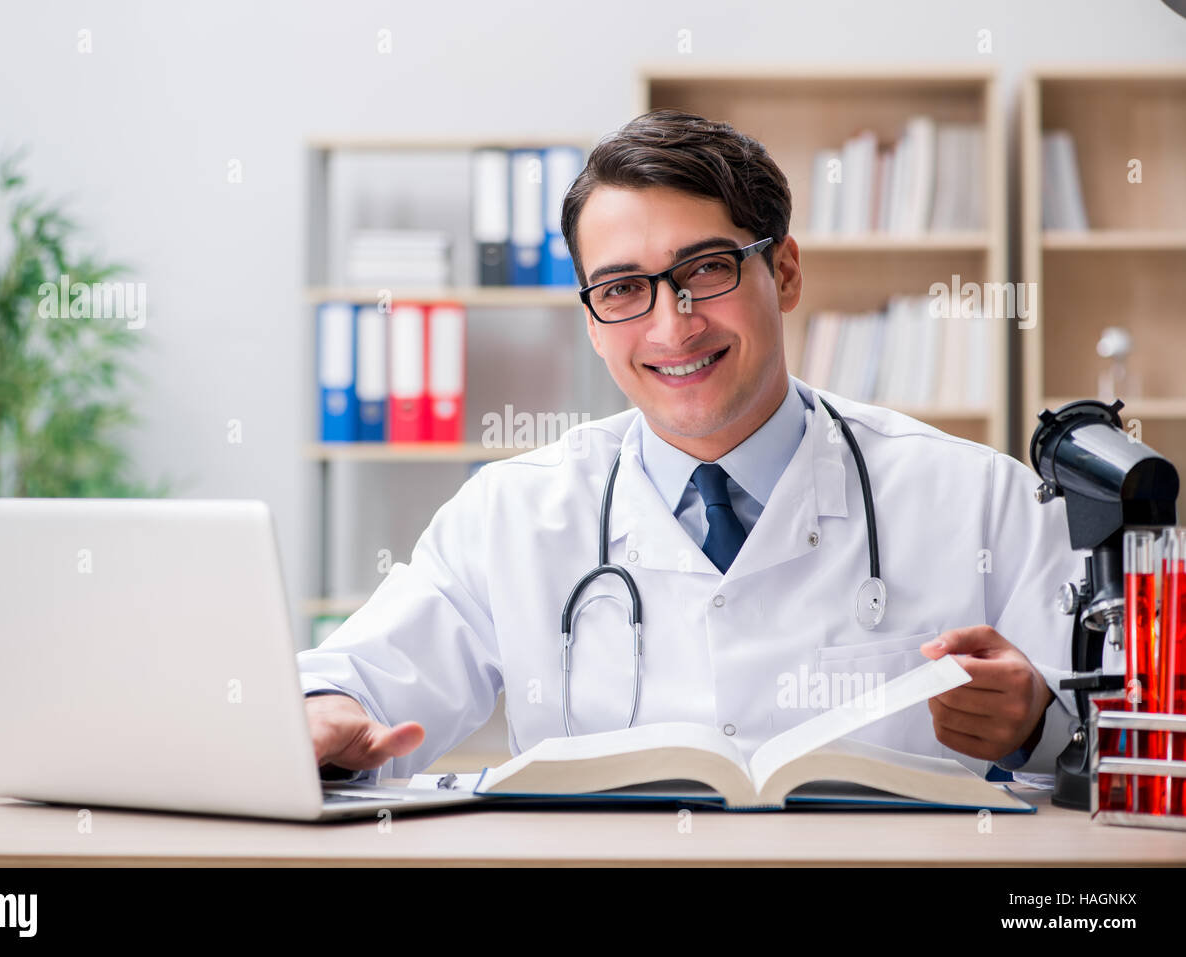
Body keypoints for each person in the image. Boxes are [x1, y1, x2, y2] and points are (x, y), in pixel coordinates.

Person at [298, 109, 1080, 786]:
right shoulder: (512, 513)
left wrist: (1039, 721)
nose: (673, 326)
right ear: (593, 320)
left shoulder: (980, 498)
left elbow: (1123, 737)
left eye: (706, 270)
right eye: (622, 288)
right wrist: (328, 714)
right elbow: (355, 684)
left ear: (785, 269)